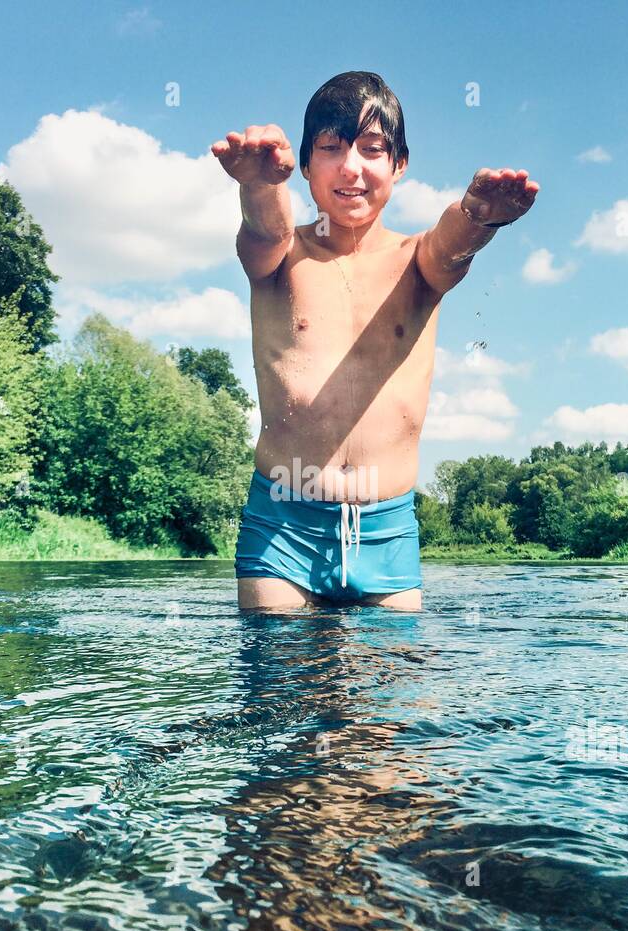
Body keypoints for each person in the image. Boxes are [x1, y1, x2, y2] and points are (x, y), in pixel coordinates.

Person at [212, 71, 537, 611]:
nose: (352, 167)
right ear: (308, 167)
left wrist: (478, 218)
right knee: (278, 692)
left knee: (397, 695)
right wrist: (259, 183)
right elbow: (264, 231)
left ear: (399, 164)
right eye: (332, 149)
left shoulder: (417, 261)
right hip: (282, 529)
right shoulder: (282, 258)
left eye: (372, 149)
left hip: (387, 532)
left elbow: (450, 249)